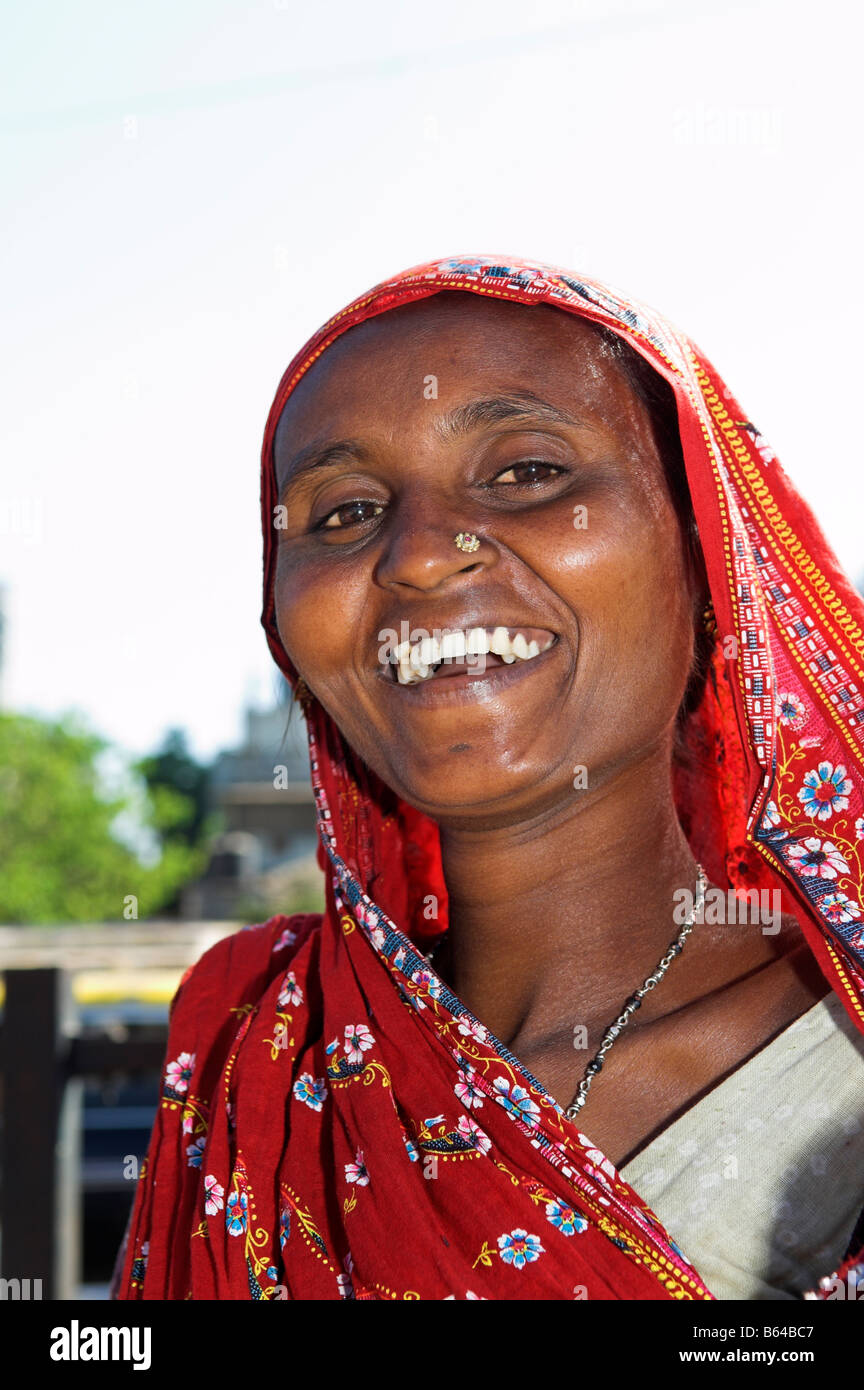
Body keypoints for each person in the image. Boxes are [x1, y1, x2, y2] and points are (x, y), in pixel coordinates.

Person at [114, 255, 864, 1301]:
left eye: (526, 472)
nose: (421, 556)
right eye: (342, 511)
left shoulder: (836, 1053)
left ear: (709, 565)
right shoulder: (259, 1049)